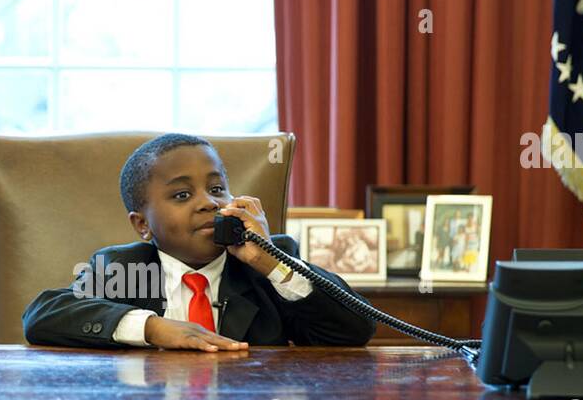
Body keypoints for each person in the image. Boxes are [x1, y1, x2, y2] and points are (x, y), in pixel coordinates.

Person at [23, 134, 376, 350]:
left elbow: (355, 329)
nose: (209, 202)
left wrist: (271, 263)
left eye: (218, 188)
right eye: (181, 195)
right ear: (143, 225)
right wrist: (152, 328)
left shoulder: (267, 267)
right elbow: (43, 314)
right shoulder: (125, 267)